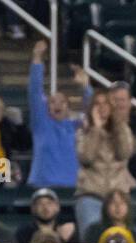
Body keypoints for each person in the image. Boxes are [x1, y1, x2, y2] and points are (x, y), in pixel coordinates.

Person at [74, 91, 135, 240]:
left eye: (106, 103)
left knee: (122, 240)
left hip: (118, 197)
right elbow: (86, 158)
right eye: (97, 104)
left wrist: (119, 123)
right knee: (93, 239)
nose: (102, 108)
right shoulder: (84, 132)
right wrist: (97, 130)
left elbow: (124, 153)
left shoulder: (123, 129)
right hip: (91, 195)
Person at [26, 41, 80, 189]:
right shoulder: (41, 124)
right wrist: (37, 58)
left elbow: (95, 110)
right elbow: (35, 92)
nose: (57, 104)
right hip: (42, 186)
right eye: (52, 102)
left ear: (68, 107)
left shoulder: (76, 126)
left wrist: (86, 86)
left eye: (62, 102)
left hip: (73, 188)